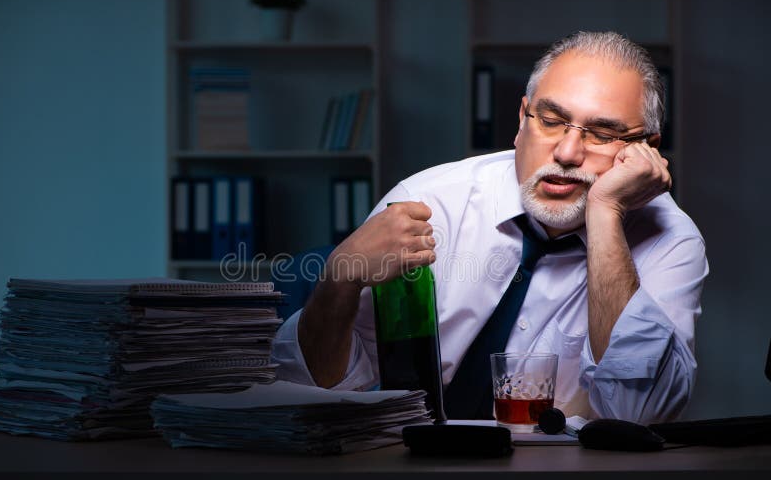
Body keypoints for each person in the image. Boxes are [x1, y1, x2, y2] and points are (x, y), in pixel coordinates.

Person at [271, 31, 709, 424]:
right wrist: (338, 278)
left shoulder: (671, 240)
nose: (567, 152)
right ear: (522, 119)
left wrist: (605, 211)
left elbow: (639, 412)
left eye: (601, 134)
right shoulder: (429, 203)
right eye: (551, 121)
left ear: (646, 150)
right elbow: (308, 389)